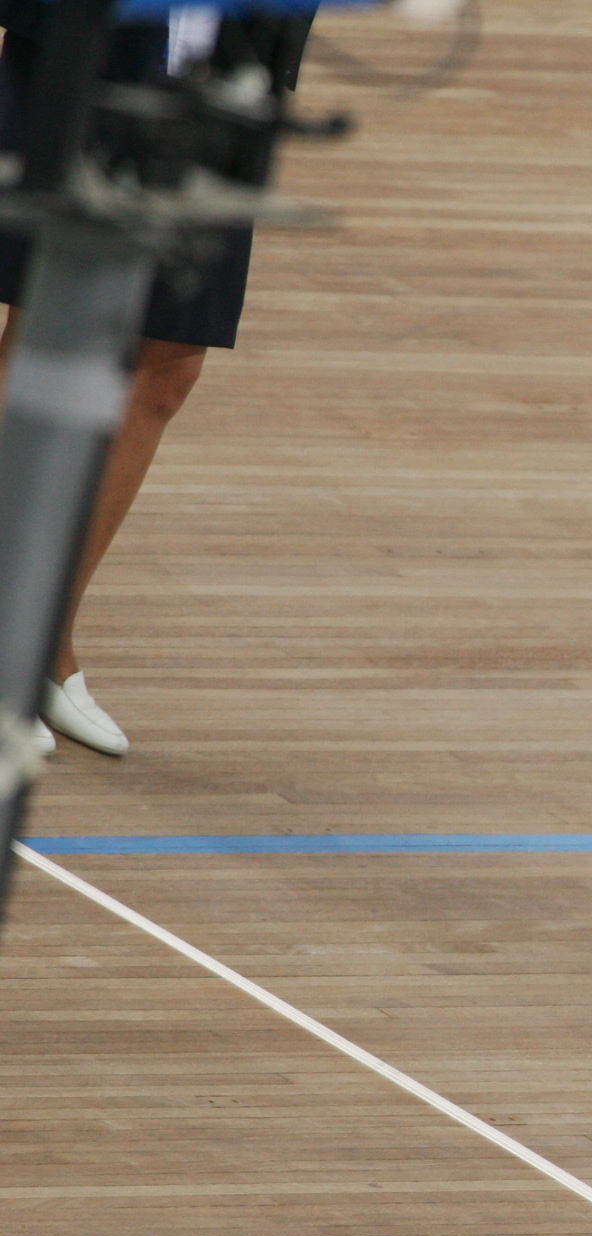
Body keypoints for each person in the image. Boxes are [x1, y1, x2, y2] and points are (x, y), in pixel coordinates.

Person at [0, 3, 311, 757]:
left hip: (231, 52)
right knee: (50, 323)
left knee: (170, 358)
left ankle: (43, 641)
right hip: (103, 35)